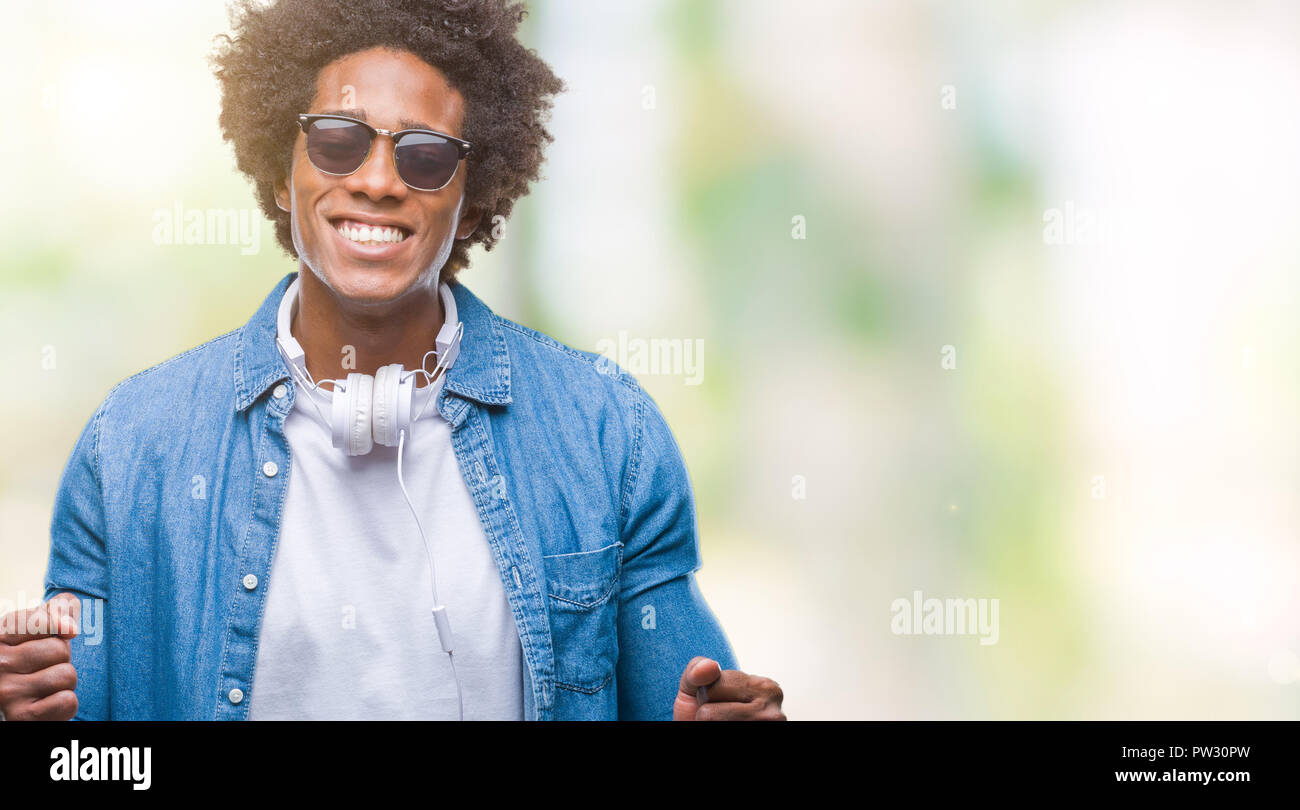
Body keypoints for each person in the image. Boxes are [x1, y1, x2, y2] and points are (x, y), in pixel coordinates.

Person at [0, 0, 785, 721]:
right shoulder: (132, 446)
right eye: (338, 143)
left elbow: (687, 693)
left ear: (473, 198)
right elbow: (83, 757)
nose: (377, 182)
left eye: (425, 157)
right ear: (283, 171)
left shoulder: (608, 432)